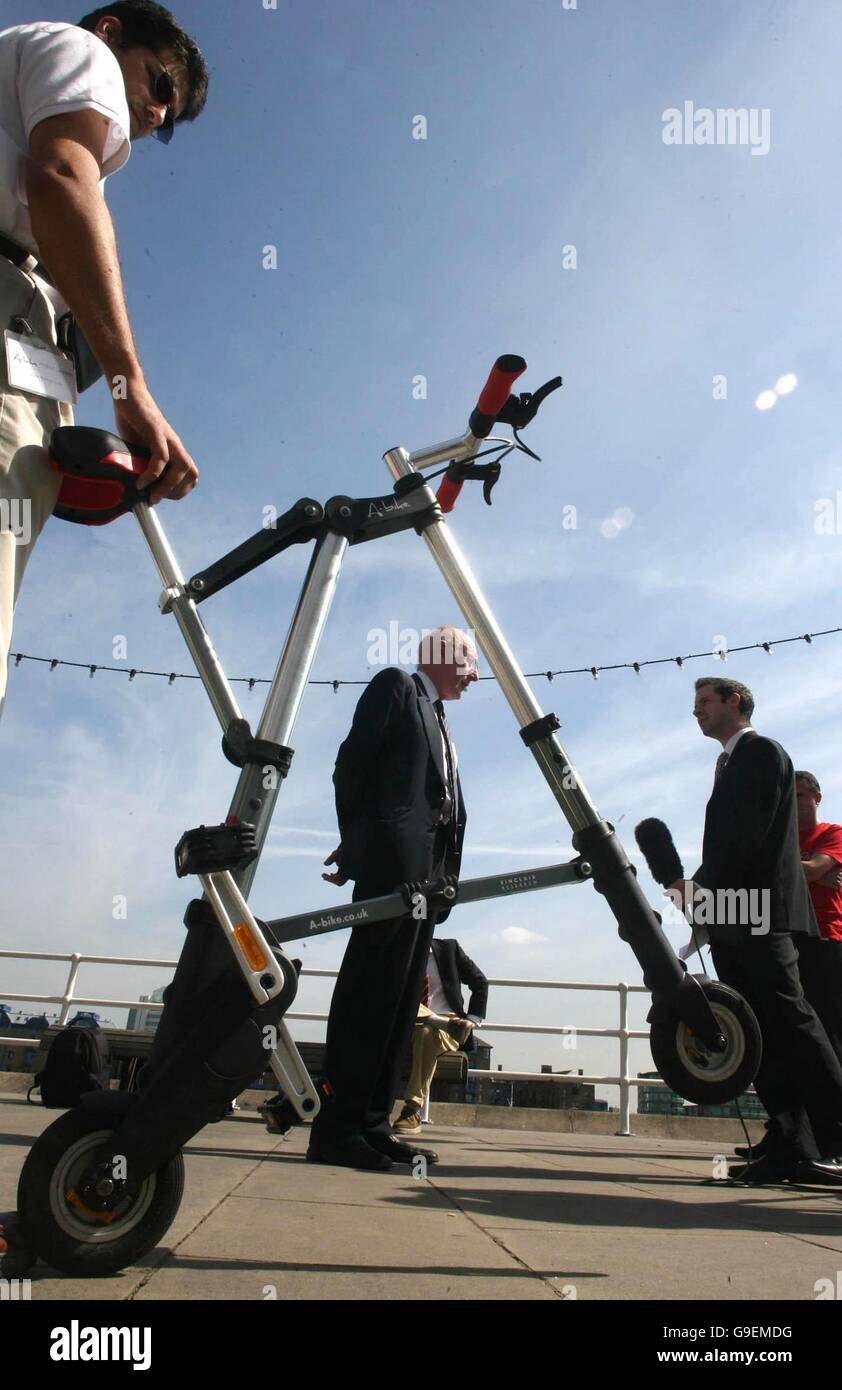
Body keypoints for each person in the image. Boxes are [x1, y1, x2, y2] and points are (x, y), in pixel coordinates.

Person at [0, 3, 208, 716]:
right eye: (158, 86)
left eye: (168, 116)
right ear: (111, 33)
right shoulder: (77, 50)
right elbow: (61, 178)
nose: (155, 116)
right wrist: (129, 386)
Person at [309, 626, 477, 1171]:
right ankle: (336, 1130)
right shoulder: (396, 687)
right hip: (393, 874)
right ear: (444, 656)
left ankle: (373, 1125)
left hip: (428, 884)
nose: (476, 674)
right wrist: (358, 848)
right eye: (470, 660)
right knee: (368, 997)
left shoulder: (440, 716)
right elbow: (351, 766)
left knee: (401, 1004)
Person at [670, 677, 842, 1185]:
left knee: (791, 1017)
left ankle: (833, 1133)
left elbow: (749, 839)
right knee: (756, 1031)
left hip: (761, 912)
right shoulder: (727, 762)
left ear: (735, 702)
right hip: (732, 915)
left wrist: (700, 889)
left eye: (705, 701)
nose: (696, 710)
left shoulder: (762, 752)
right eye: (695, 702)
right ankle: (791, 1144)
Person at [394, 937, 488, 1136]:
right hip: (407, 1022)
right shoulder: (398, 951)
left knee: (426, 1032)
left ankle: (411, 1109)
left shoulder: (448, 949)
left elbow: (480, 981)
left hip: (447, 1025)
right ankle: (435, 1020)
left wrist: (472, 1020)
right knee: (404, 1005)